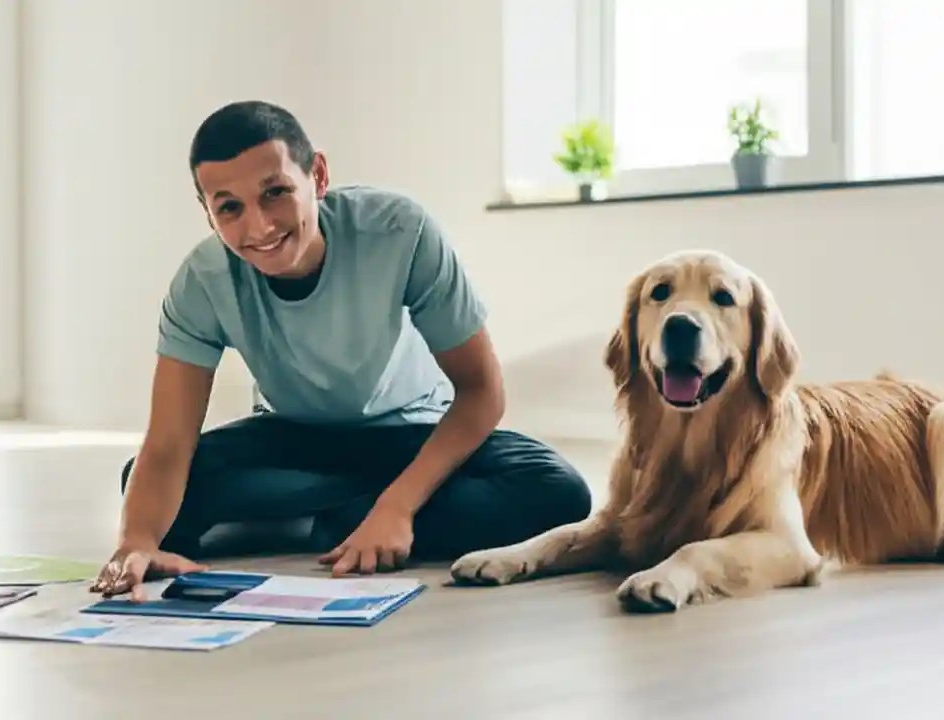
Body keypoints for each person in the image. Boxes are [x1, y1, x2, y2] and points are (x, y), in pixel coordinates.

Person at [90, 100, 592, 599]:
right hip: (293, 436)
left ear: (319, 176)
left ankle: (337, 516)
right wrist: (135, 543)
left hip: (411, 431)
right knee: (146, 486)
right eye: (230, 208)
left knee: (556, 490)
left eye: (276, 193)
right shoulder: (203, 281)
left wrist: (396, 507)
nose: (259, 226)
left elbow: (481, 391)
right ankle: (345, 518)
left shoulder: (400, 230)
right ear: (208, 213)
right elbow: (168, 442)